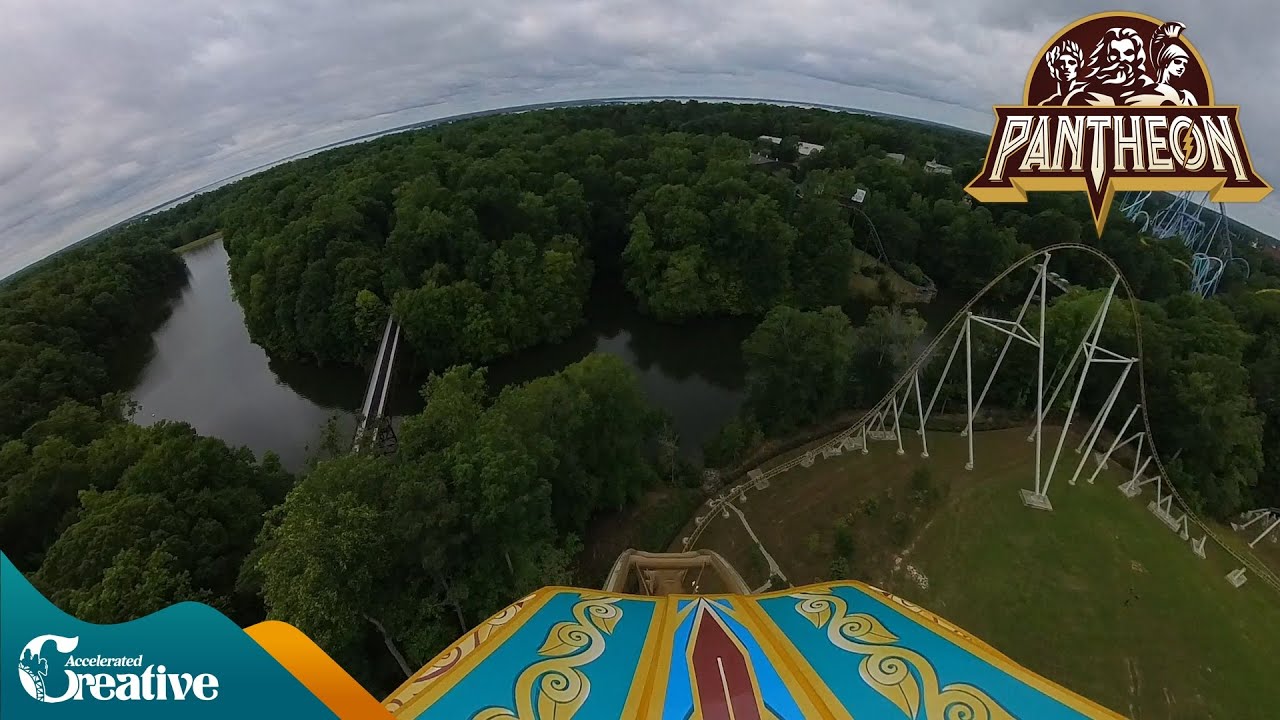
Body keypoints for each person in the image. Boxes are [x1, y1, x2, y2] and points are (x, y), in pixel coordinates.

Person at [1064, 26, 1158, 106]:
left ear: (1137, 57)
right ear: (1105, 57)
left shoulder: (1148, 87)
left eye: (1128, 53)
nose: (1121, 58)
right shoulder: (1087, 90)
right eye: (1114, 54)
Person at [1148, 22, 1198, 105]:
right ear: (1166, 62)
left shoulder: (1187, 97)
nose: (1182, 67)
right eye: (1177, 62)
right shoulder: (1149, 92)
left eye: (1184, 64)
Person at [1038, 40, 1084, 106]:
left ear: (1079, 66)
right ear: (1052, 67)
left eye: (1071, 63)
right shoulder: (1047, 105)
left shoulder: (1086, 94)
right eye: (1060, 63)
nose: (1066, 67)